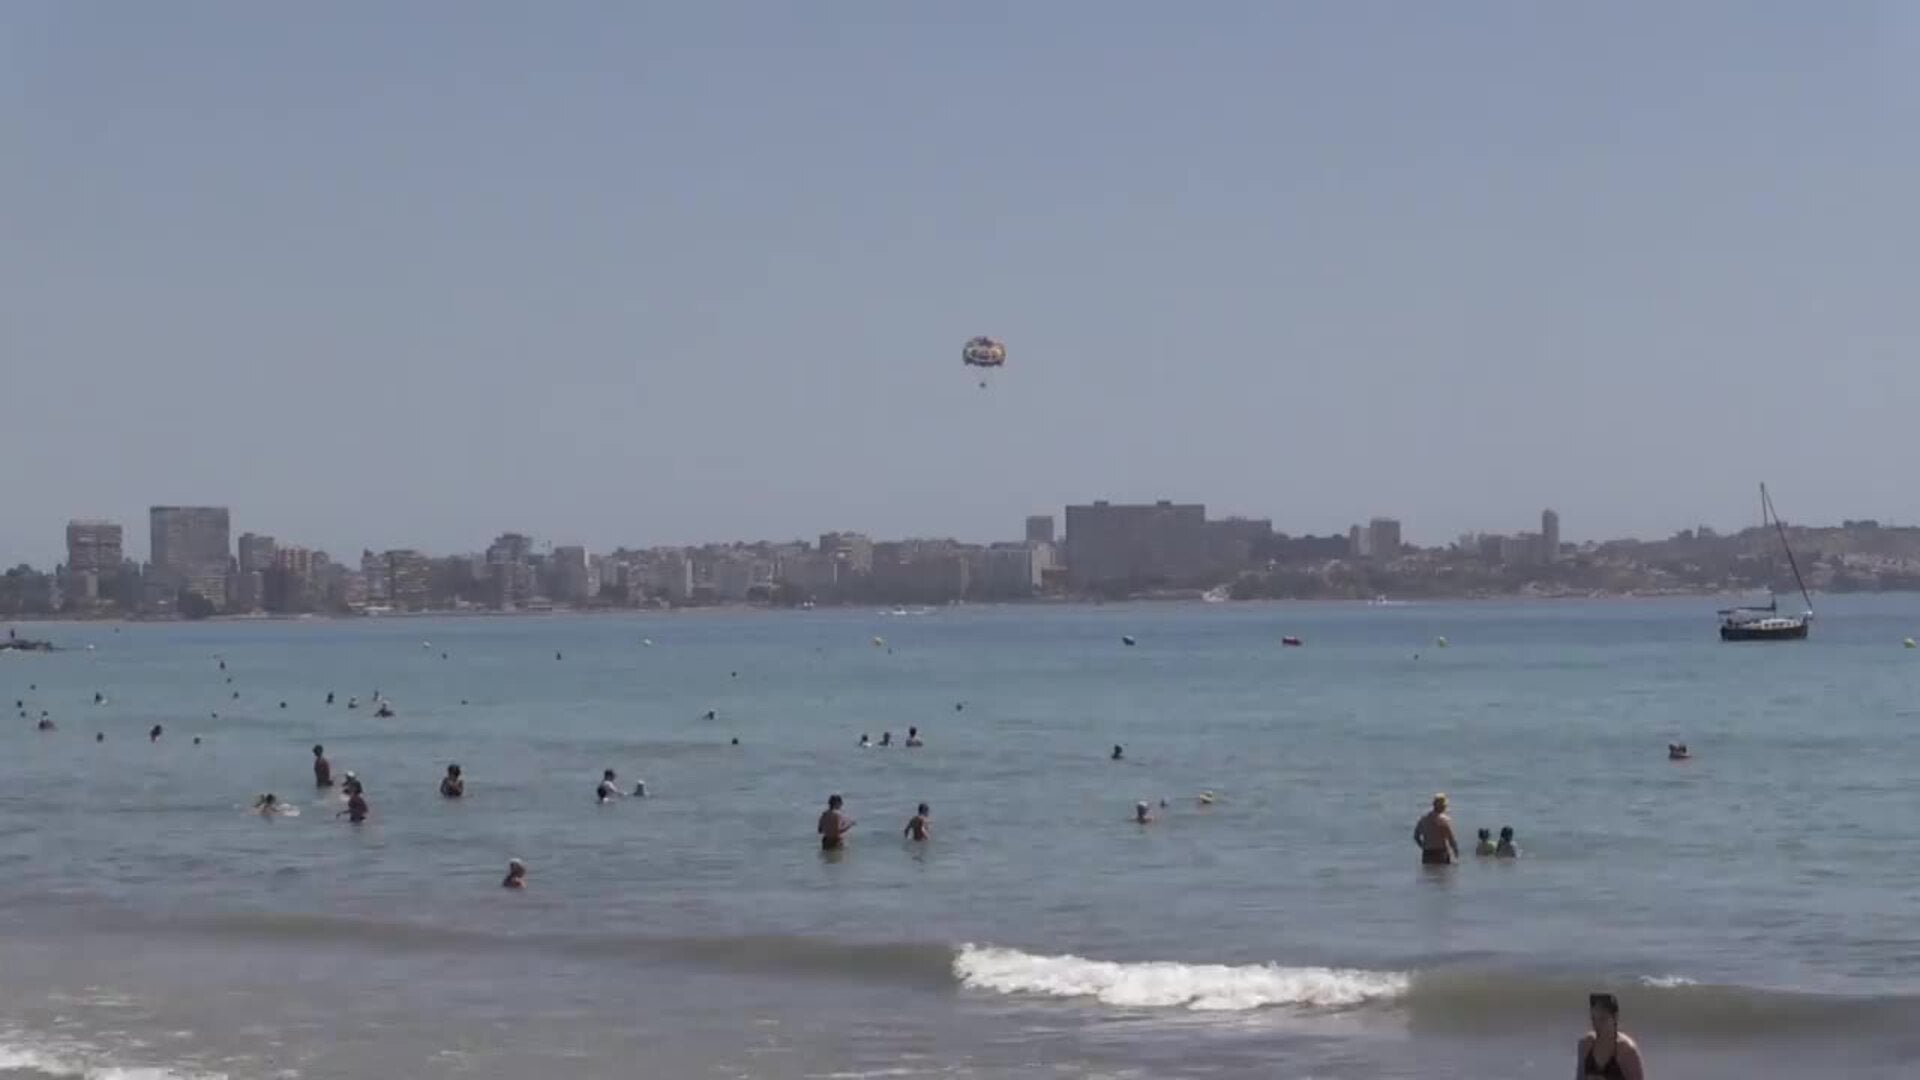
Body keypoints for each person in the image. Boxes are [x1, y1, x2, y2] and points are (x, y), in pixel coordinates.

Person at [1578, 992, 1644, 1080]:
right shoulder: (1586, 1045)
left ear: (1615, 1017)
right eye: (1593, 1019)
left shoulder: (1626, 1050)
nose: (1597, 1025)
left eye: (1602, 1019)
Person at [1413, 794, 1459, 866]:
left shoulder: (1423, 819)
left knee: (1428, 875)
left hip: (1427, 853)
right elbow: (1451, 839)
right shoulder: (1444, 820)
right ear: (1443, 806)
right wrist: (1456, 853)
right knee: (1443, 875)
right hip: (1441, 853)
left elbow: (1416, 836)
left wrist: (1423, 846)